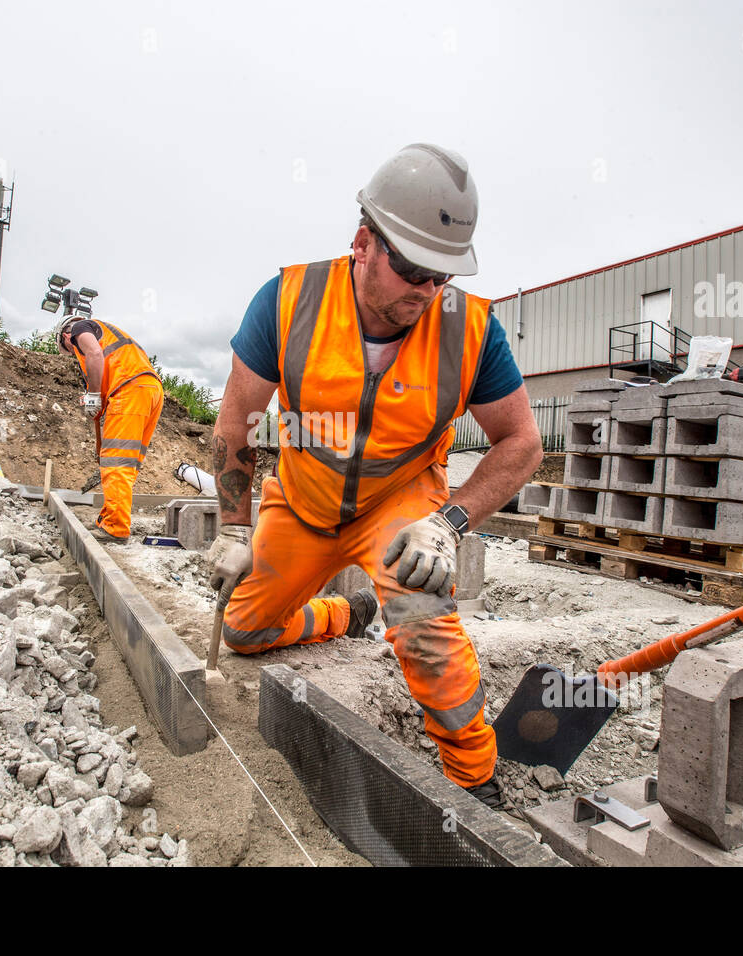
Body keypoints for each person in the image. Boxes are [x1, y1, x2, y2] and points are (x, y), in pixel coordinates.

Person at [206, 143, 544, 807]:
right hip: (302, 502)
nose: (426, 290)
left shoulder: (470, 331)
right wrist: (232, 526)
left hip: (400, 504)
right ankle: (346, 612)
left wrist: (447, 524)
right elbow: (237, 419)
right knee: (243, 630)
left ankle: (475, 779)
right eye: (414, 268)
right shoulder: (289, 301)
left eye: (441, 277)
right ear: (364, 243)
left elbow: (523, 442)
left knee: (423, 622)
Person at [58, 315, 164, 542]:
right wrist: (97, 402)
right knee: (127, 463)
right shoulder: (110, 337)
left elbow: (95, 355)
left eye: (69, 349)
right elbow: (108, 368)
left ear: (66, 336)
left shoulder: (79, 328)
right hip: (150, 390)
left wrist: (94, 396)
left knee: (115, 461)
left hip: (129, 390)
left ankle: (115, 528)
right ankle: (109, 517)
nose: (74, 351)